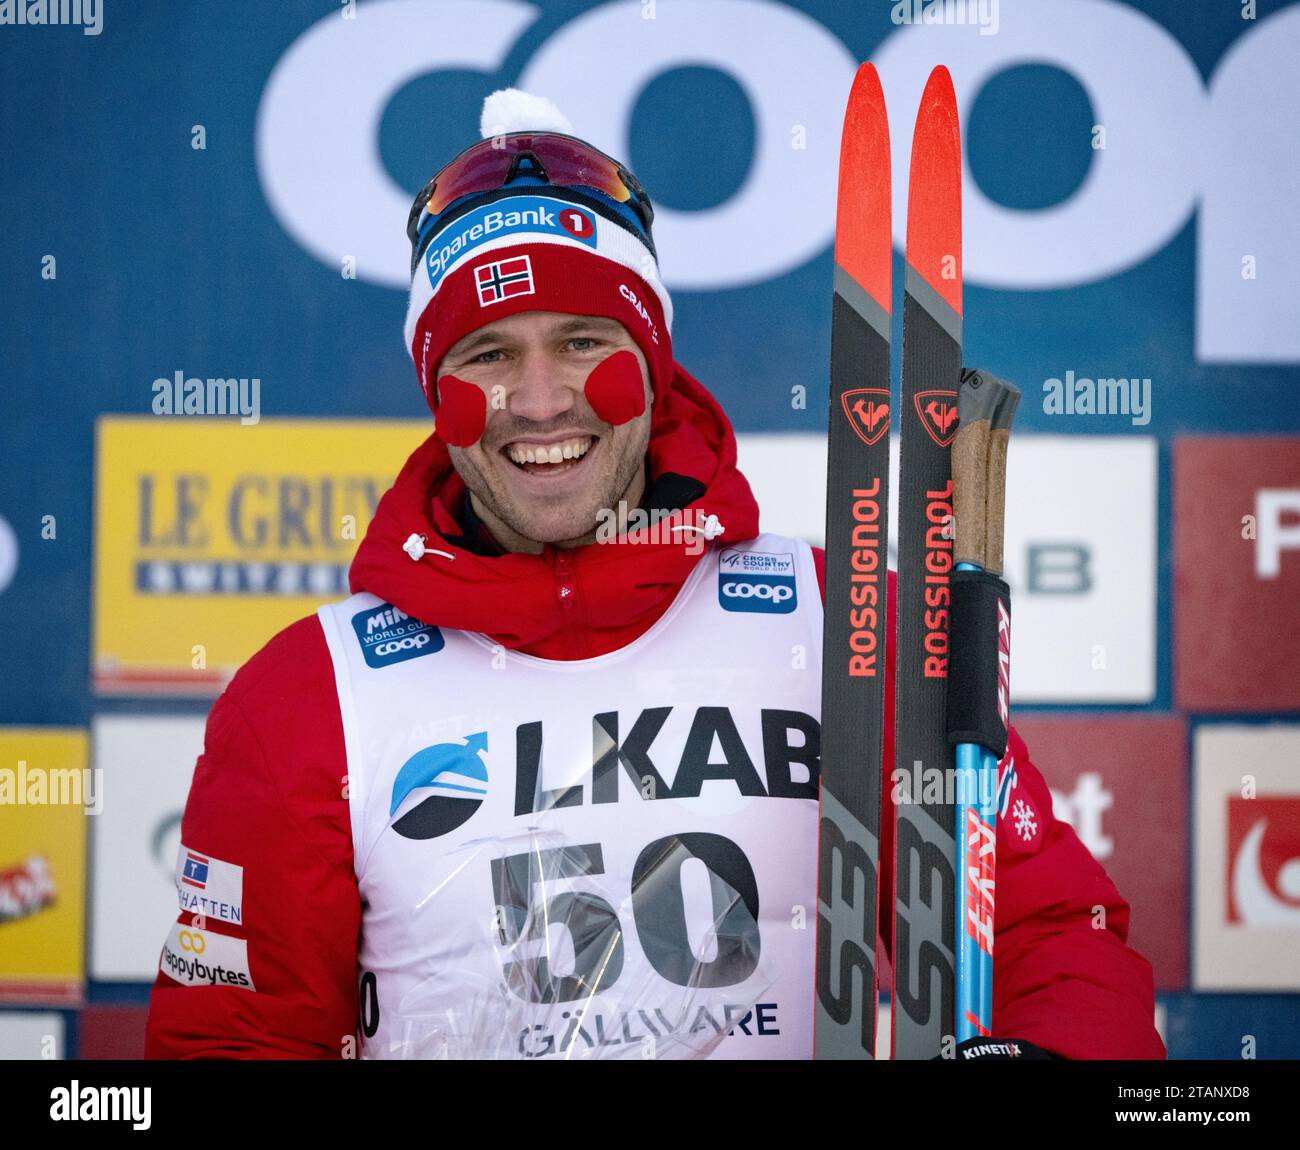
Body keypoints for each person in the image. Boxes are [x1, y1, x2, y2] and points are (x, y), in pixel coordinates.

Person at [144, 89, 1164, 1060]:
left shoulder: (843, 618)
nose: (540, 402)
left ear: (654, 357)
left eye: (585, 342)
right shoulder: (307, 699)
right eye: (487, 355)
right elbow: (233, 1035)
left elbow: (1045, 931)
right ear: (433, 384)